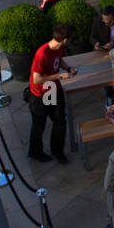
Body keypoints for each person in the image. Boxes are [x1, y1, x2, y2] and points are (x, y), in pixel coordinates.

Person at [27, 23, 77, 163]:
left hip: (52, 89)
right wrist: (59, 77)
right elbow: (37, 79)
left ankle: (58, 151)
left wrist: (68, 68)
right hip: (40, 94)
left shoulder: (58, 48)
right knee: (39, 123)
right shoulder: (42, 54)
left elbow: (59, 60)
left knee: (59, 120)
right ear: (65, 40)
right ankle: (35, 152)